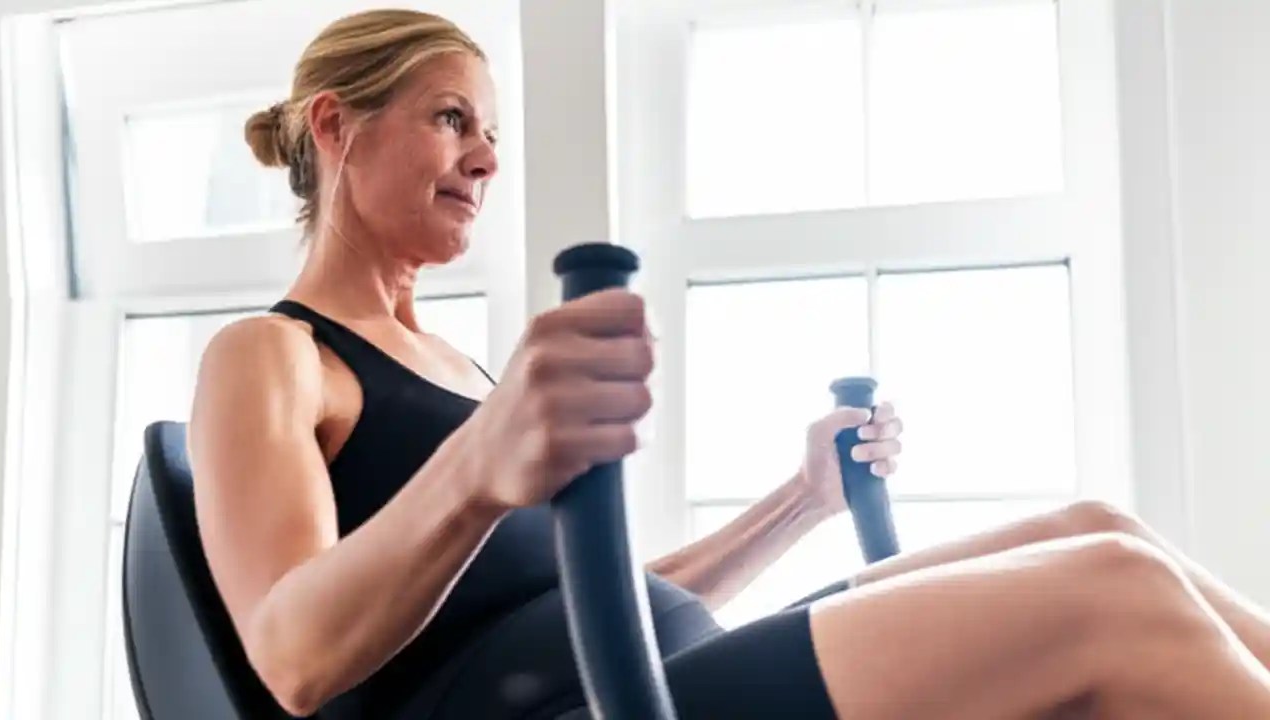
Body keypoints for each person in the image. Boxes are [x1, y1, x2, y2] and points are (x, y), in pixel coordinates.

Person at [189, 8, 1270, 720]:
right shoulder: (272, 356)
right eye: (449, 118)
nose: (486, 155)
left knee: (1100, 531)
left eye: (490, 129)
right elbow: (291, 656)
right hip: (585, 708)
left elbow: (602, 601)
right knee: (1113, 596)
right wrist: (477, 465)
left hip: (650, 665)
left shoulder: (460, 370)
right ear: (336, 127)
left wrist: (800, 503)